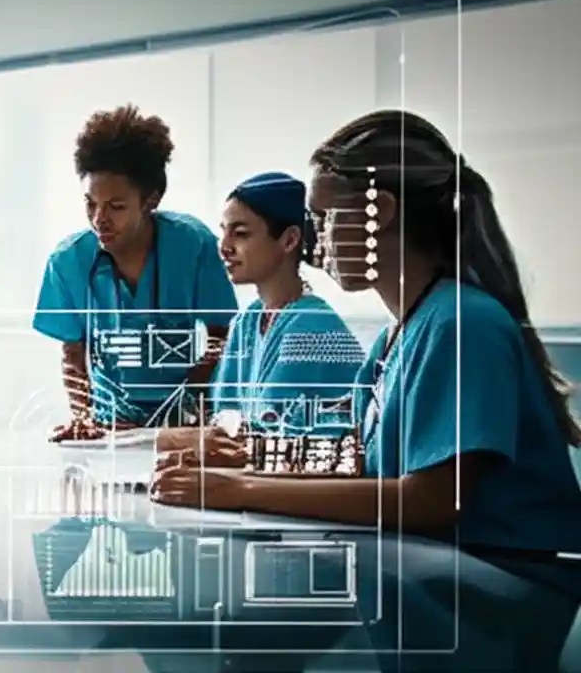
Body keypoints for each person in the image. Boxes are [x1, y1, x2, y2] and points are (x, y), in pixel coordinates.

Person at [151, 112, 581, 669]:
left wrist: (238, 487)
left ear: (383, 212)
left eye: (325, 218)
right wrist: (240, 472)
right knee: (241, 631)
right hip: (438, 574)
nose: (315, 238)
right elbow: (362, 465)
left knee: (250, 628)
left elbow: (431, 500)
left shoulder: (461, 324)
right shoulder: (393, 339)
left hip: (501, 592)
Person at [34, 104, 238, 440]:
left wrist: (185, 410)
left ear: (150, 201)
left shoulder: (192, 244)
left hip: (184, 423)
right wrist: (85, 419)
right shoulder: (68, 261)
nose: (99, 218)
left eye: (116, 207)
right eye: (90, 203)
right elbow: (73, 354)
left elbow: (222, 335)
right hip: (110, 425)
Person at [162, 172, 366, 463]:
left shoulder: (311, 328)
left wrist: (161, 440)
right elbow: (226, 424)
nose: (224, 246)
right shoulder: (247, 322)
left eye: (240, 233)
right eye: (224, 231)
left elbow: (270, 443)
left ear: (289, 240)